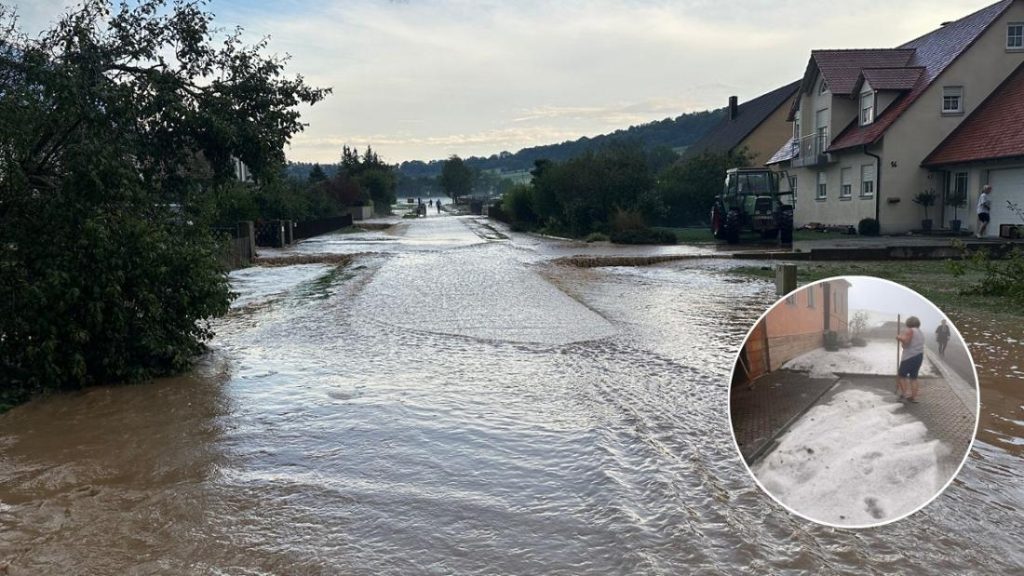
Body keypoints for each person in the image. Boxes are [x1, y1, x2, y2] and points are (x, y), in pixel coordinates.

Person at [897, 316, 925, 403]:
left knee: (901, 376)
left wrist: (899, 338)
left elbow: (906, 343)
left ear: (909, 323)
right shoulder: (921, 332)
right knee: (913, 378)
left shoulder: (910, 330)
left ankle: (904, 394)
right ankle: (913, 397)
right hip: (919, 356)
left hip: (909, 357)